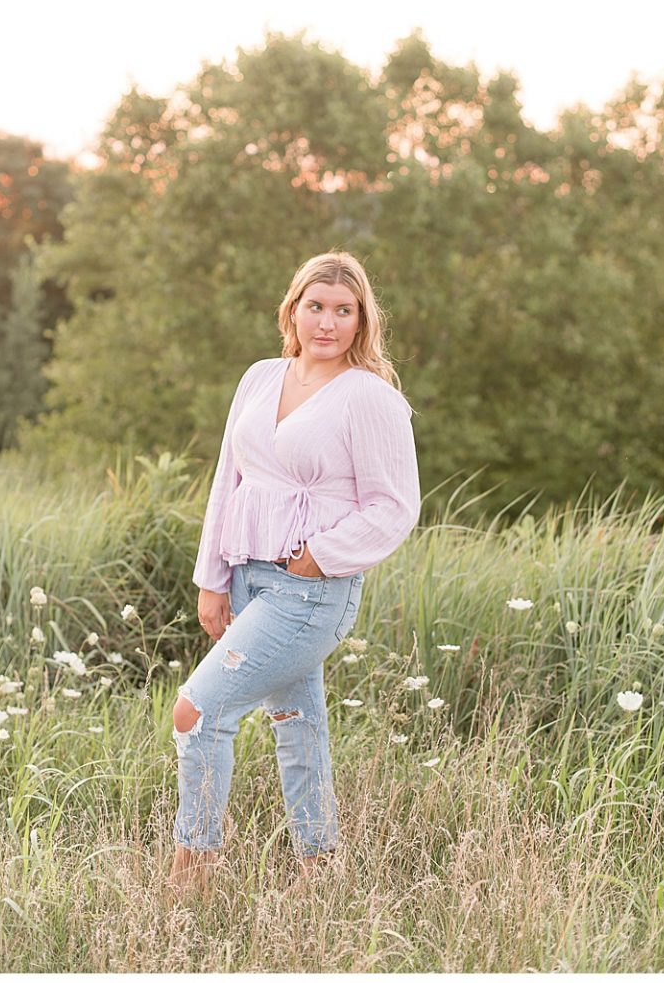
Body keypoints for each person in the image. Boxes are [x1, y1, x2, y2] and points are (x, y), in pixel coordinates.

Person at [170, 250, 421, 891]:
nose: (327, 323)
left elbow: (395, 508)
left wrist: (319, 556)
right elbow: (229, 479)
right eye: (316, 307)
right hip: (248, 577)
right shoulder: (259, 378)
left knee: (197, 711)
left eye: (343, 310)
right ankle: (320, 867)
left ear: (362, 319)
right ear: (294, 309)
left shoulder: (370, 398)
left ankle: (192, 873)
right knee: (298, 727)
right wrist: (212, 577)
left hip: (312, 591)